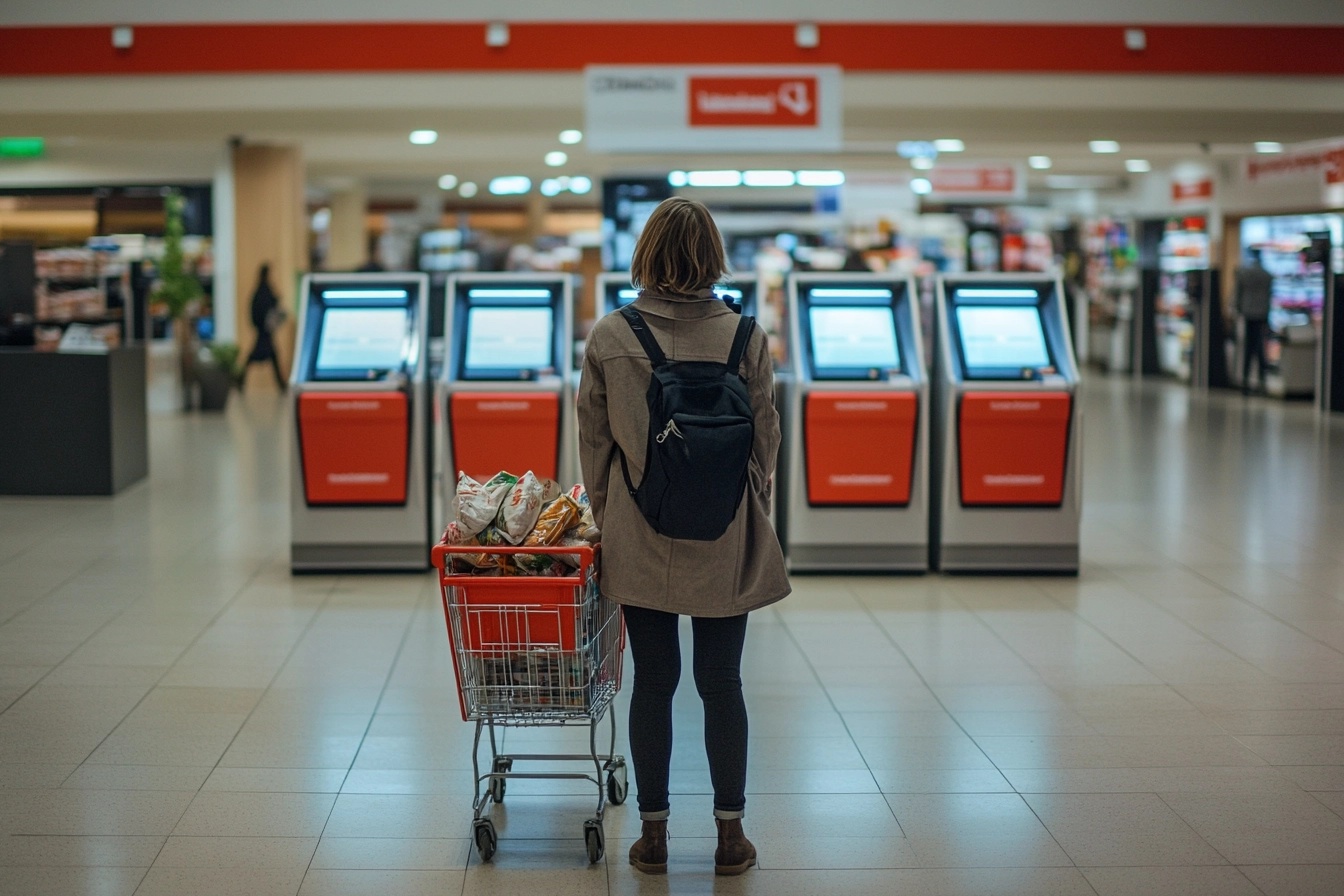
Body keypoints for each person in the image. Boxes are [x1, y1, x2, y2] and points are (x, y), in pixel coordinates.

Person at [577, 198, 790, 877]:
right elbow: (766, 438)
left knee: (654, 681)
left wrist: (612, 515)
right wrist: (743, 499)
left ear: (645, 254)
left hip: (640, 530)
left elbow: (595, 444)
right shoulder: (744, 336)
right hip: (725, 531)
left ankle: (653, 837)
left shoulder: (612, 335)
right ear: (712, 257)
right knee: (722, 680)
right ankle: (730, 837)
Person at [1232, 249, 1273, 394]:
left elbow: (1238, 294)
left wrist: (1238, 309)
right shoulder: (1267, 275)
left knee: (1249, 347)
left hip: (1248, 314)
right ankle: (1262, 380)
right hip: (1262, 314)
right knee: (1260, 347)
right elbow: (1269, 296)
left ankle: (1245, 380)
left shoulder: (1244, 273)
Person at [244, 262, 286, 390]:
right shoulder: (264, 291)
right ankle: (281, 384)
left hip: (264, 329)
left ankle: (281, 384)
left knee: (268, 355)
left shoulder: (261, 290)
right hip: (264, 330)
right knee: (264, 355)